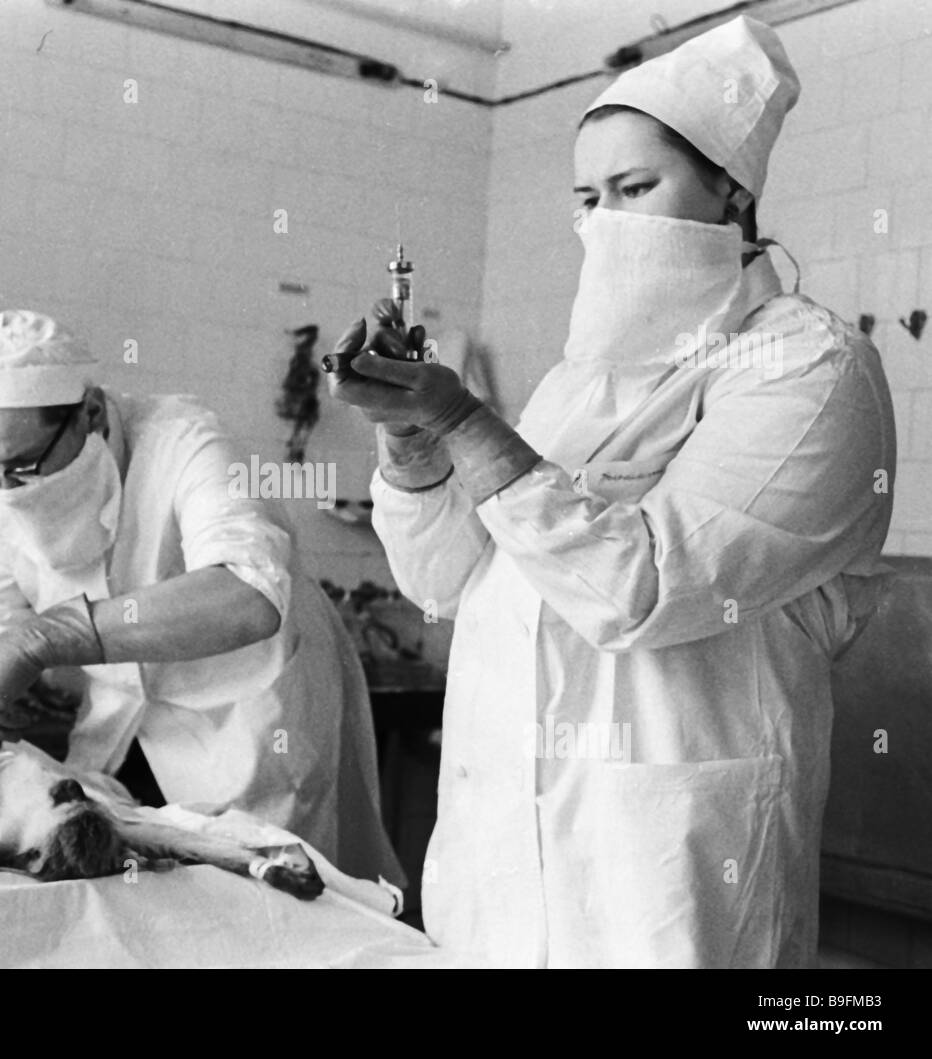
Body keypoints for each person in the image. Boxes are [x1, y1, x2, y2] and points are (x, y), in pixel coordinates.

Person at [328, 16, 895, 967]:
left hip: (664, 860)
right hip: (503, 855)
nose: (606, 221)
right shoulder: (576, 381)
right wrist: (411, 441)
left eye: (636, 188)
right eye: (588, 197)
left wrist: (469, 425)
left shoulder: (810, 366)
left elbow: (645, 588)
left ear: (733, 189)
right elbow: (446, 580)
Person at [0, 309, 402, 885]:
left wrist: (41, 639)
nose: (4, 487)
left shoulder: (185, 441)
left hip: (243, 723)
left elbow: (247, 593)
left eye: (21, 465)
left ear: (91, 414)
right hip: (125, 731)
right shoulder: (3, 478)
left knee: (261, 896)